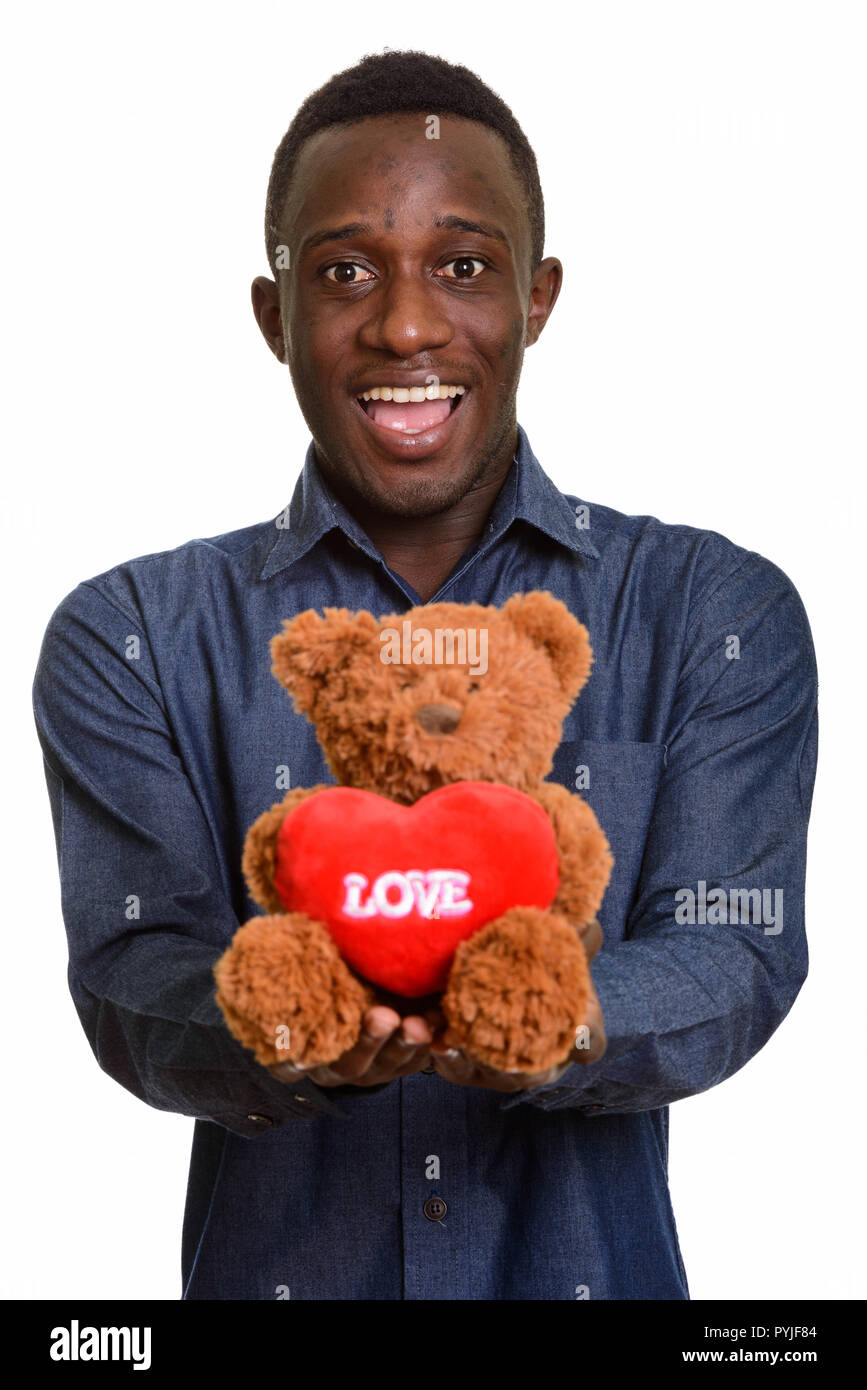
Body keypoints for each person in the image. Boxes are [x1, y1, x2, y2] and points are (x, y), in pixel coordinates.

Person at [32, 50, 818, 1301]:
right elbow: (133, 978)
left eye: (463, 266)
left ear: (539, 296)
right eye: (345, 271)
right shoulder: (128, 635)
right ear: (271, 314)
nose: (406, 324)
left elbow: (738, 953)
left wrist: (546, 1014)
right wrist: (296, 1029)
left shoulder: (713, 610)